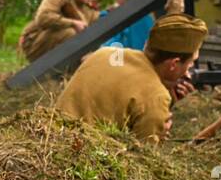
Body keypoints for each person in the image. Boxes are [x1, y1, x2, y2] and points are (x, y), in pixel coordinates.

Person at [55, 13, 208, 143]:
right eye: (191, 62)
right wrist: (161, 133)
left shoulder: (107, 53)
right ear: (174, 64)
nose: (189, 70)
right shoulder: (156, 97)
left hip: (49, 140)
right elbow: (145, 160)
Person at [18, 0, 103, 64]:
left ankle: (67, 71)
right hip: (36, 44)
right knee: (70, 33)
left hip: (64, 47)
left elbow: (93, 35)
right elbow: (42, 18)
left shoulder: (91, 10)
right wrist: (72, 23)